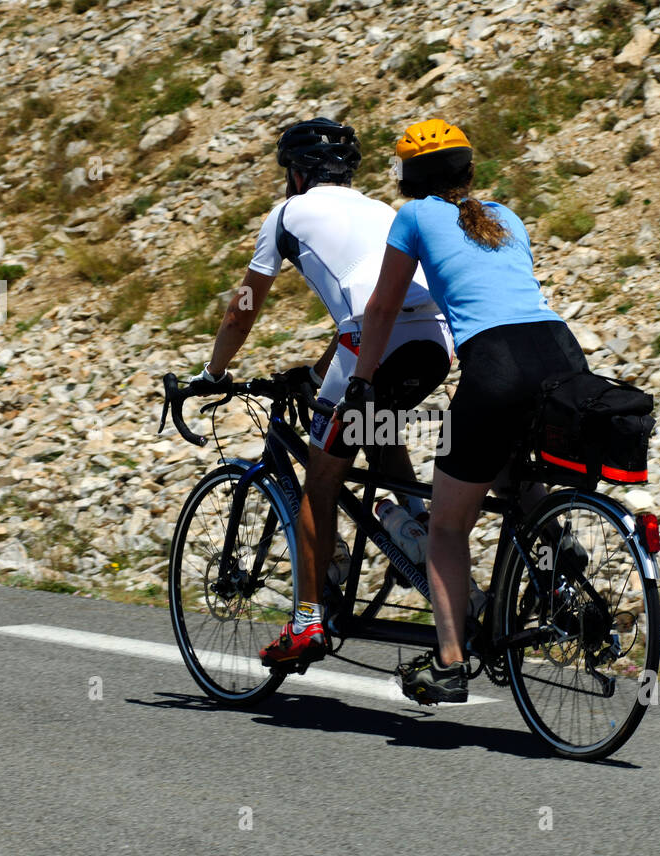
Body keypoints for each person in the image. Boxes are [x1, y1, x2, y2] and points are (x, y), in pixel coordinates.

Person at [337, 119, 589, 704]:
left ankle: (449, 664)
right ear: (470, 171)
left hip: (496, 366)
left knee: (449, 525)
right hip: (561, 356)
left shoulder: (414, 217)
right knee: (510, 466)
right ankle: (553, 550)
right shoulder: (505, 215)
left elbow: (381, 308)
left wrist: (363, 380)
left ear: (405, 180)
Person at [192, 117, 454, 669]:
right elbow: (365, 299)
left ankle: (306, 623)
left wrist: (214, 373)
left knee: (321, 478)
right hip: (433, 342)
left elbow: (244, 310)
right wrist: (317, 372)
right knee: (374, 423)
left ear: (295, 173)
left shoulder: (286, 214)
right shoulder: (380, 209)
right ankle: (411, 521)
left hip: (370, 342)